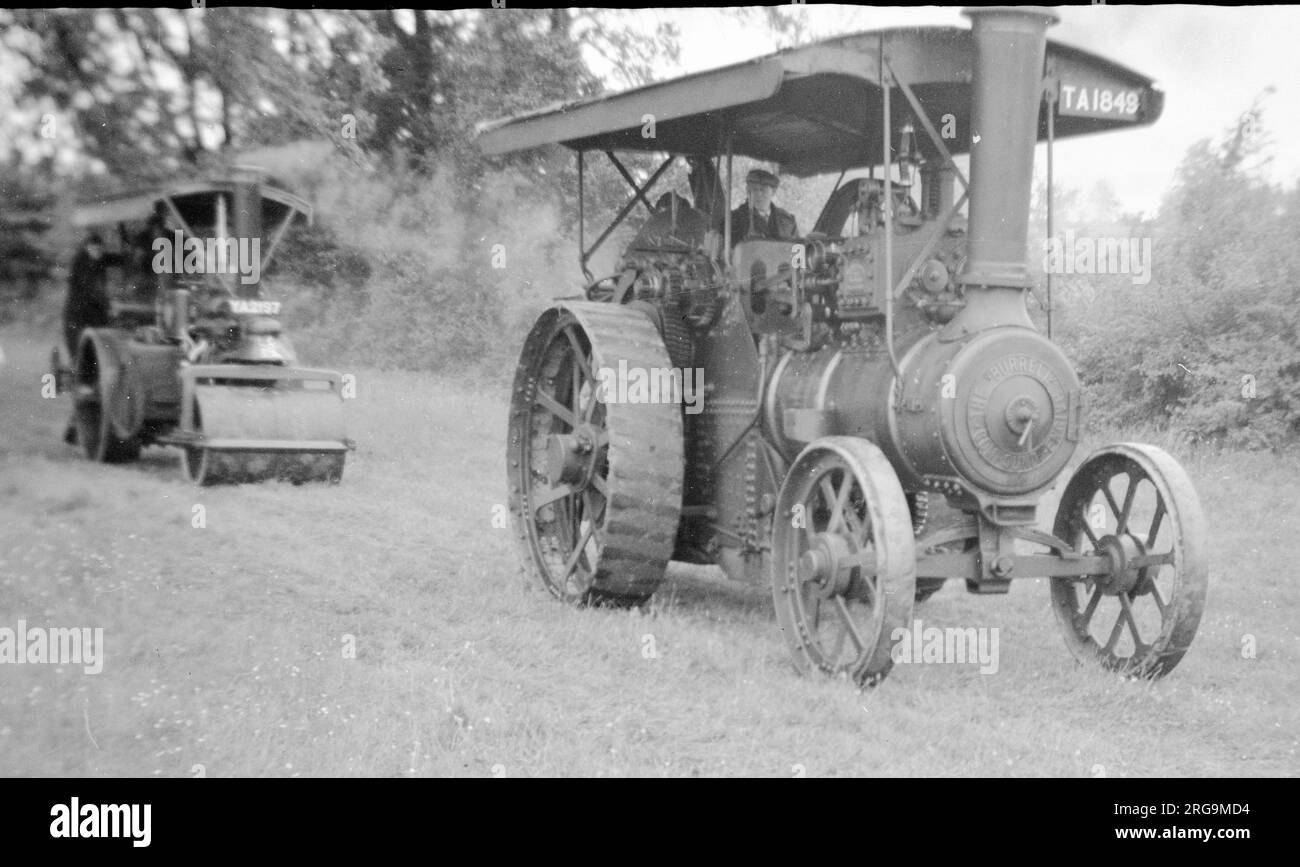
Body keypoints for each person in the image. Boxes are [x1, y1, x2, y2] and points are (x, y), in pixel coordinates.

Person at [61, 233, 120, 445]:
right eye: (94, 249)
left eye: (100, 250)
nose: (98, 253)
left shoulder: (98, 259)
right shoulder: (81, 264)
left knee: (92, 374)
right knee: (84, 373)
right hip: (77, 323)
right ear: (87, 248)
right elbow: (90, 292)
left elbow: (116, 259)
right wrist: (110, 305)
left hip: (91, 322)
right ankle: (76, 424)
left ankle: (76, 426)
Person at [721, 168, 799, 244]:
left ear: (773, 192)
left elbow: (797, 252)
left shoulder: (788, 220)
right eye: (754, 189)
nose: (758, 194)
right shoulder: (732, 220)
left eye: (763, 190)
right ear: (747, 190)